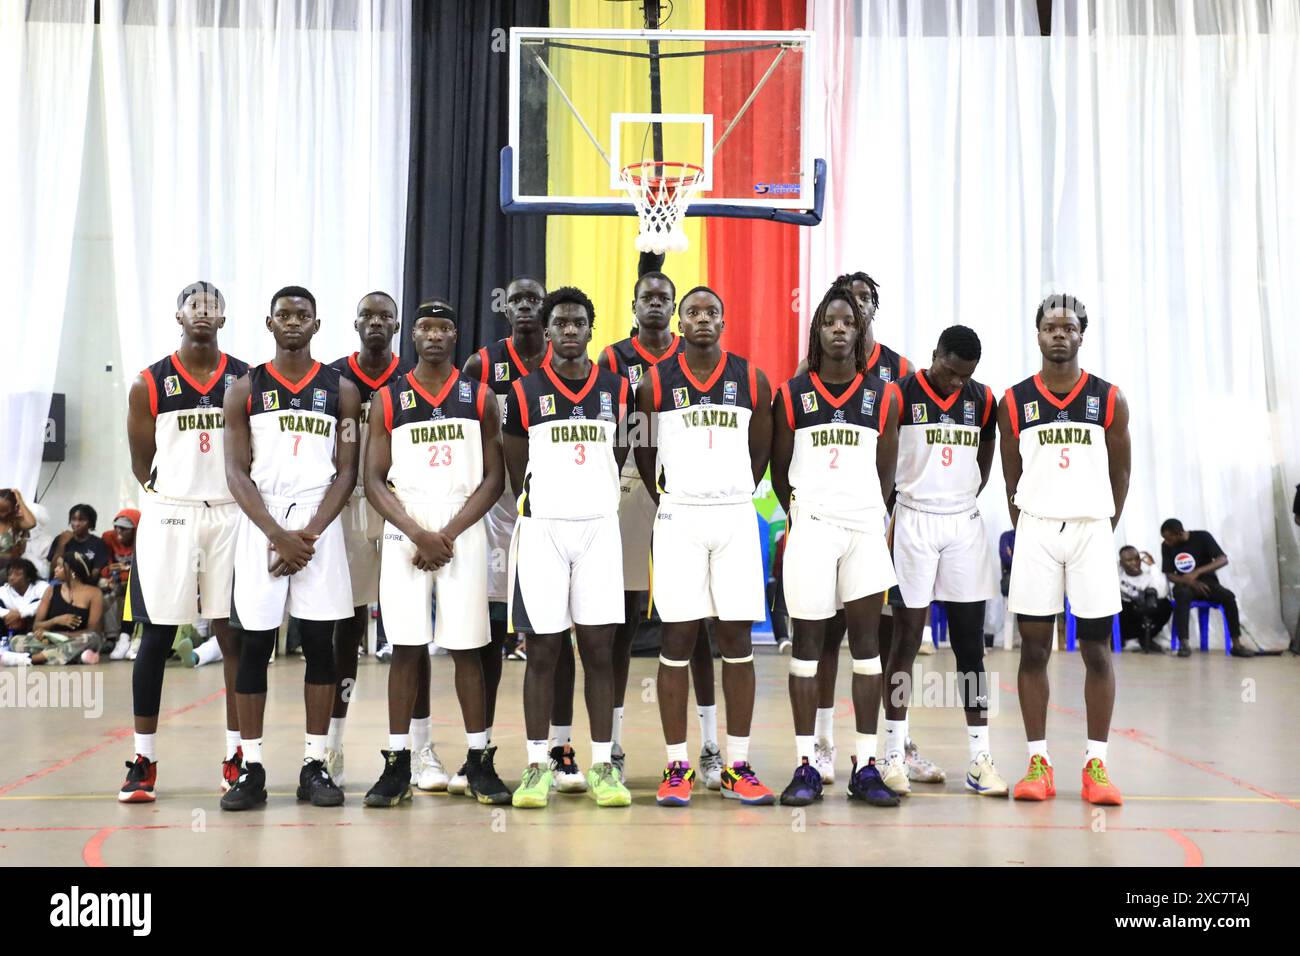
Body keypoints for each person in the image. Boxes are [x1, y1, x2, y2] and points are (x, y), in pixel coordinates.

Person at [361, 300, 510, 806]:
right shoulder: (388, 399)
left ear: (455, 334)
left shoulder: (481, 397)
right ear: (414, 335)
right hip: (408, 523)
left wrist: (446, 532)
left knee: (468, 646)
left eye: (443, 327)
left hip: (461, 523)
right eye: (424, 327)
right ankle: (398, 761)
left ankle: (479, 759)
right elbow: (373, 480)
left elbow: (495, 478)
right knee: (406, 647)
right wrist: (416, 531)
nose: (433, 335)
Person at [219, 285, 360, 811]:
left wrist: (310, 535)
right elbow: (235, 471)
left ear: (317, 325)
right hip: (262, 521)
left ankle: (314, 764)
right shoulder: (244, 388)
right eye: (285, 315)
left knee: (321, 646)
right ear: (269, 323)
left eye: (303, 315)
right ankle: (250, 768)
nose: (294, 322)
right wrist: (277, 534)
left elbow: (347, 472)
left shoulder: (340, 389)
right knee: (253, 647)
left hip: (318, 519)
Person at [635, 285, 775, 807]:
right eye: (691, 312)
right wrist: (671, 496)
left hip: (737, 514)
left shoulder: (752, 378)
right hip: (679, 516)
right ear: (678, 320)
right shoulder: (653, 383)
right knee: (676, 638)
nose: (701, 319)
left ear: (723, 321)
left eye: (710, 312)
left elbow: (760, 450)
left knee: (736, 640)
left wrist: (733, 490)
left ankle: (736, 763)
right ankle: (677, 765)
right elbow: (644, 452)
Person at [118, 281, 250, 803]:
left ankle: (237, 754)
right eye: (193, 304)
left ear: (223, 318)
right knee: (155, 636)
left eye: (212, 306)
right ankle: (143, 760)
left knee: (232, 634)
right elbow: (140, 460)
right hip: (171, 513)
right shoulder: (148, 383)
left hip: (228, 511)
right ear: (178, 315)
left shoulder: (243, 378)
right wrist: (175, 492)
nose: (202, 312)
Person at [770, 285, 902, 807]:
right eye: (830, 321)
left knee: (868, 651)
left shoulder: (884, 396)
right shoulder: (791, 393)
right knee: (808, 650)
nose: (840, 328)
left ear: (861, 330)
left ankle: (866, 766)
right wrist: (804, 514)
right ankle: (807, 764)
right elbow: (780, 473)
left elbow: (886, 471)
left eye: (849, 321)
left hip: (865, 529)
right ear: (818, 330)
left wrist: (866, 510)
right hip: (813, 527)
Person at [502, 287, 632, 809]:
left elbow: (618, 451)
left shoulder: (617, 389)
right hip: (543, 530)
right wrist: (543, 503)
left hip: (599, 527)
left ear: (590, 329)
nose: (571, 330)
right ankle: (538, 765)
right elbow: (515, 461)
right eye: (562, 322)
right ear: (548, 332)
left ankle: (602, 765)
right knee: (544, 651)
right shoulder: (523, 390)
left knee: (599, 650)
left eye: (580, 321)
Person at [998, 293, 1130, 806]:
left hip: (1091, 530)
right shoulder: (1015, 400)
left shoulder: (1109, 397)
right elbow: (1012, 473)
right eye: (1050, 326)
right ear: (1037, 335)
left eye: (1068, 327)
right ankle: (1039, 762)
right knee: (1034, 647)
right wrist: (1029, 521)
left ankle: (1096, 764)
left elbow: (1121, 471)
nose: (1059, 333)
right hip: (1036, 530)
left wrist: (1103, 521)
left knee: (1096, 648)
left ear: (1081, 335)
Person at [596, 271, 721, 785]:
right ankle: (616, 745)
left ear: (674, 309)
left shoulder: (689, 356)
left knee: (698, 624)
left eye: (663, 299)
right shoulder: (612, 357)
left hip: (683, 486)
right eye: (646, 296)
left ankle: (711, 745)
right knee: (624, 620)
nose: (654, 304)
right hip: (627, 480)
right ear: (633, 305)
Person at [462, 276, 584, 794]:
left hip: (558, 510)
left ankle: (559, 750)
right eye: (517, 300)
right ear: (504, 308)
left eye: (536, 300)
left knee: (555, 636)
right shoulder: (481, 365)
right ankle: (481, 752)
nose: (527, 308)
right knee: (489, 632)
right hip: (500, 509)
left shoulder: (572, 364)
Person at [324, 292, 445, 790]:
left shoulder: (410, 378)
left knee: (410, 636)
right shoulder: (333, 377)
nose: (376, 322)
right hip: (349, 503)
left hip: (403, 508)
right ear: (355, 323)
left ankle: (421, 748)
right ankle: (332, 746)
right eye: (368, 316)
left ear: (398, 326)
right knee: (346, 630)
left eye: (385, 316)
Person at [884, 325, 1006, 797]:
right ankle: (893, 753)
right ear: (934, 355)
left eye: (964, 377)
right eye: (950, 372)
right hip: (912, 518)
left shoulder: (984, 398)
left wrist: (969, 489)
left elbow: (988, 447)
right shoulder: (899, 394)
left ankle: (979, 759)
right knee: (906, 643)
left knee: (970, 647)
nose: (956, 383)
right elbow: (884, 455)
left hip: (963, 523)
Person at [1159, 519, 1253, 658]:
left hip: (1208, 583)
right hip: (1184, 584)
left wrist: (1197, 573)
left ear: (1179, 533)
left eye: (1169, 538)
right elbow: (1169, 575)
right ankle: (1184, 644)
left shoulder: (1202, 537)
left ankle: (1236, 644)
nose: (1167, 541)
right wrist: (1190, 582)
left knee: (1228, 597)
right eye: (1165, 538)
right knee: (1182, 595)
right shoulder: (1166, 546)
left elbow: (1223, 559)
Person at [14, 553, 104, 664]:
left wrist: (65, 635)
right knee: (16, 641)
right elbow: (36, 626)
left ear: (72, 571)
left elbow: (92, 630)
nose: (55, 569)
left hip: (78, 639)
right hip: (51, 640)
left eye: (60, 566)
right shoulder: (51, 590)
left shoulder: (94, 593)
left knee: (93, 638)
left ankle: (32, 659)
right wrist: (56, 621)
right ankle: (78, 657)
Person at [1117, 546, 1170, 653]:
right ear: (1121, 563)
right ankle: (1118, 639)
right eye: (1129, 560)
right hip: (1126, 616)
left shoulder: (1149, 577)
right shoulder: (1118, 575)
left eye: (1137, 559)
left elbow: (1162, 592)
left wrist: (1153, 566)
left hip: (1144, 613)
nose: (1134, 562)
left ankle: (1146, 639)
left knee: (1165, 604)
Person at [101, 508, 138, 653]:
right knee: (105, 591)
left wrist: (124, 573)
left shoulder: (143, 539)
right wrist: (111, 572)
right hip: (113, 579)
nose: (119, 532)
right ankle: (110, 637)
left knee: (132, 591)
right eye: (116, 527)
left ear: (135, 529)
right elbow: (104, 565)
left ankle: (126, 636)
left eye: (124, 529)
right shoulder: (108, 537)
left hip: (133, 582)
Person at [47, 504, 110, 578]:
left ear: (90, 523)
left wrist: (74, 580)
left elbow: (96, 572)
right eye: (73, 519)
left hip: (85, 583)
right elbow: (52, 571)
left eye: (81, 520)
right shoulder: (61, 538)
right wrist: (62, 544)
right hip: (60, 582)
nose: (76, 524)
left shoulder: (98, 543)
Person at [2, 558, 47, 636]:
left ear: (29, 577)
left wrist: (21, 614)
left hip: (32, 628)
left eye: (17, 574)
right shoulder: (4, 590)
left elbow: (46, 602)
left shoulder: (41, 586)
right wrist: (9, 615)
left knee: (38, 604)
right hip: (9, 626)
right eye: (10, 574)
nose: (11, 578)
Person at [0, 488, 37, 573]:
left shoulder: (15, 522)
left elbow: (31, 523)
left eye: (4, 510)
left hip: (9, 571)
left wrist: (20, 500)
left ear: (13, 508)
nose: (0, 513)